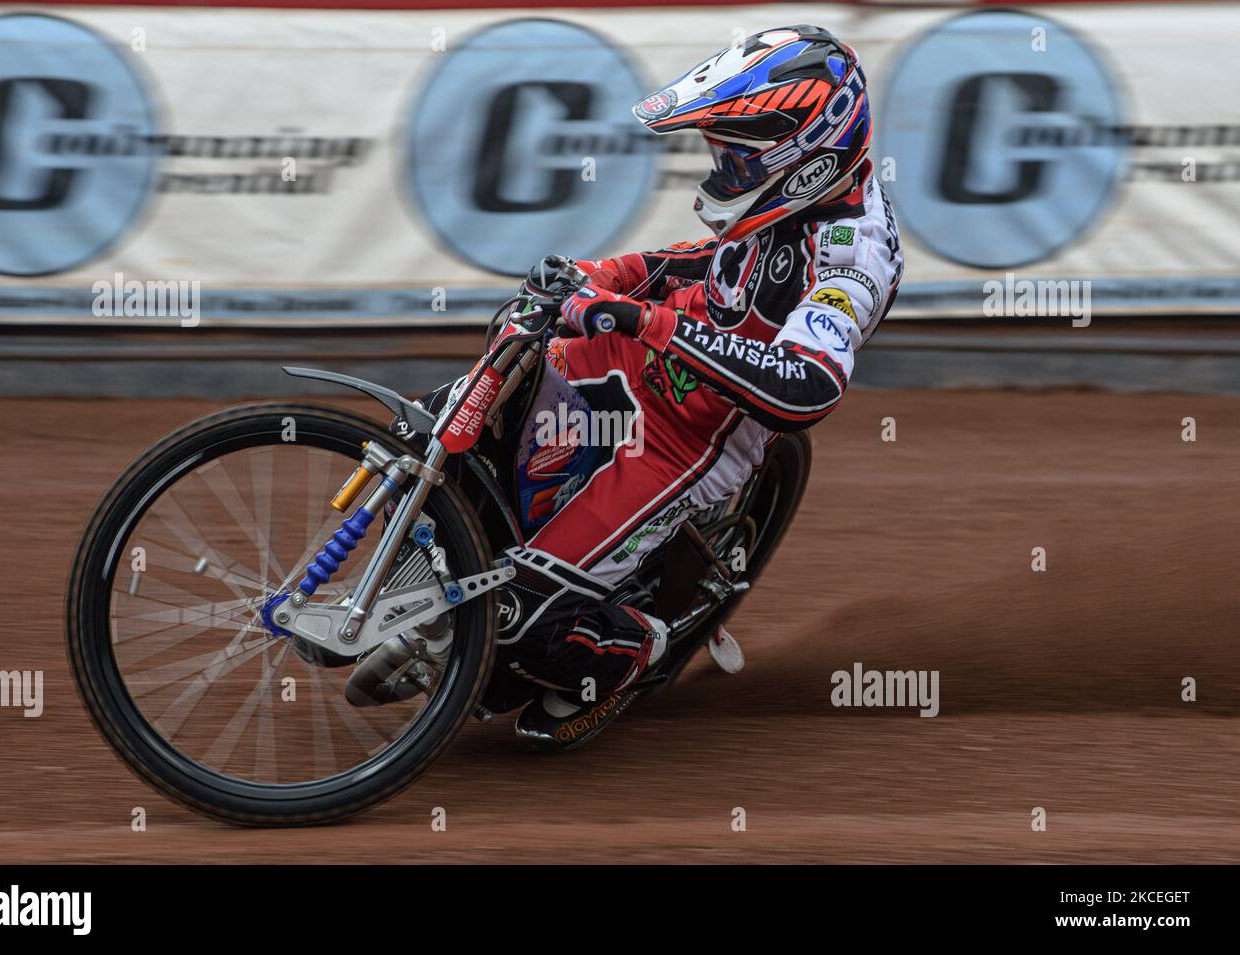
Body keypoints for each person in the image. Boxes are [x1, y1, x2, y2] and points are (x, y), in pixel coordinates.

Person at [352, 25, 903, 750]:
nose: (722, 170)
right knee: (432, 426)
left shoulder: (852, 258)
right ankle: (426, 581)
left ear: (804, 160)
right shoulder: (793, 197)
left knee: (517, 622)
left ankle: (636, 649)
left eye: (735, 157)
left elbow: (806, 387)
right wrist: (601, 277)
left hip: (687, 440)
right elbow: (708, 261)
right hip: (631, 358)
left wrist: (645, 320)